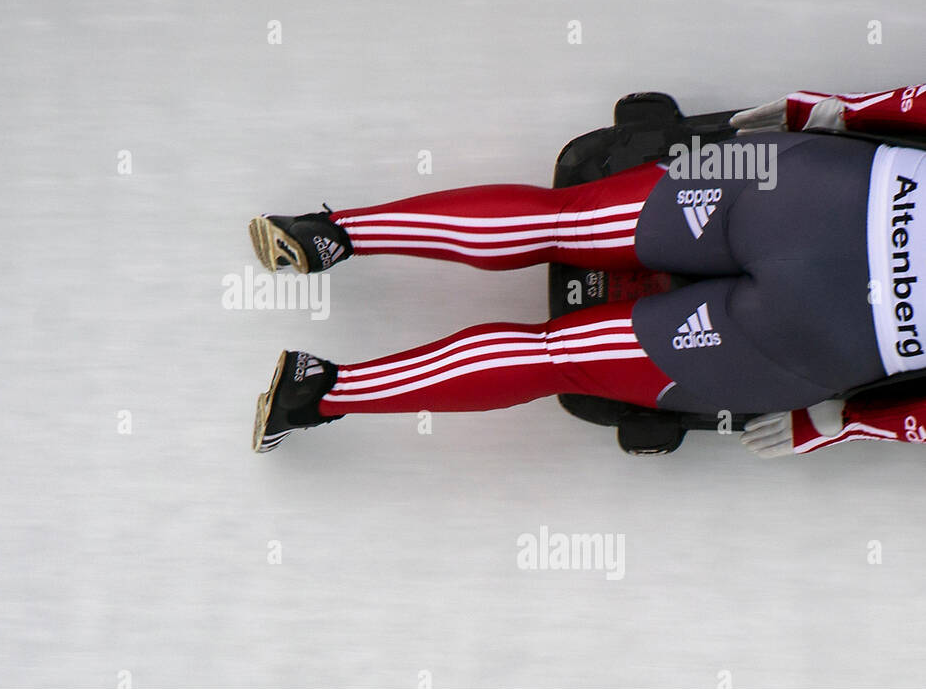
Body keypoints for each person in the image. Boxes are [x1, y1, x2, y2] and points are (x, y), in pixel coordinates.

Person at [249, 83, 926, 457]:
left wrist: (831, 115)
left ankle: (331, 235)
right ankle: (323, 392)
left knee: (564, 220)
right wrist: (834, 423)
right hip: (814, 339)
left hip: (810, 191)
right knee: (557, 359)